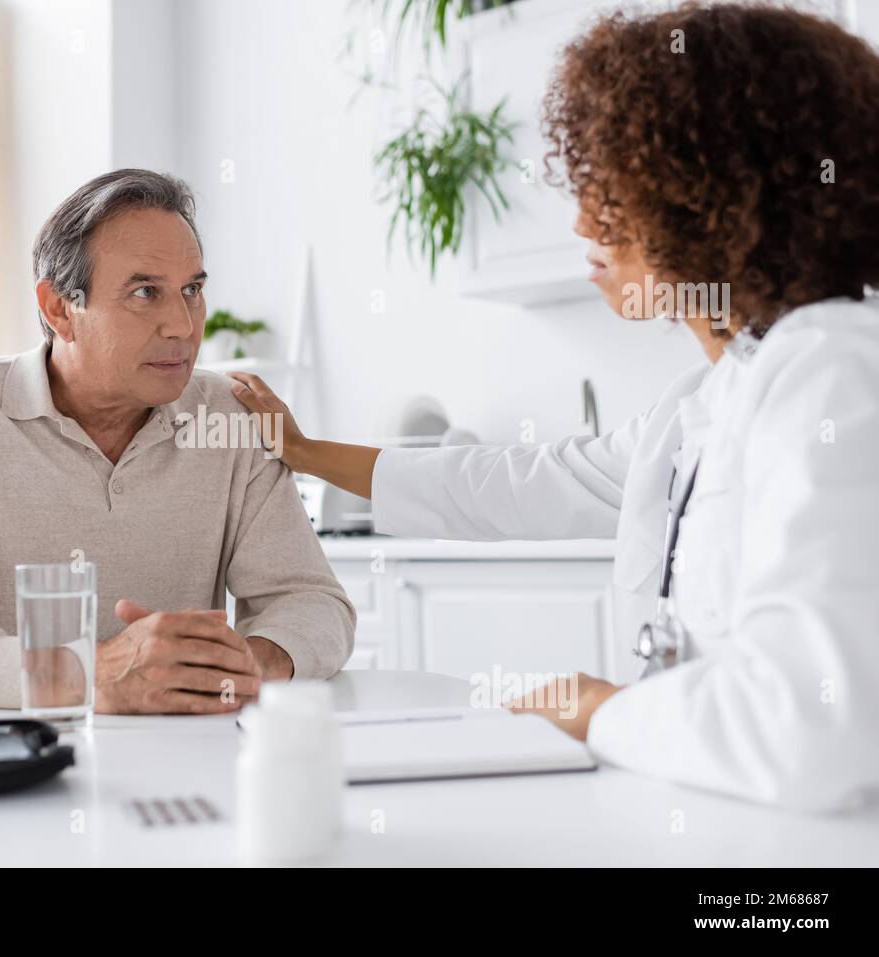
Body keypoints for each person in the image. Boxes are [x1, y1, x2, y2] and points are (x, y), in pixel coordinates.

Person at [230, 3, 879, 811]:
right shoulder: (704, 402)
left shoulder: (832, 365)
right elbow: (512, 481)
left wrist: (600, 708)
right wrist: (305, 449)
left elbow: (809, 728)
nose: (581, 221)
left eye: (612, 190)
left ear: (710, 191)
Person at [0, 169, 355, 714]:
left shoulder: (231, 417)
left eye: (192, 291)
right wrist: (86, 675)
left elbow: (313, 603)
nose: (182, 325)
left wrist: (250, 661)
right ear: (61, 308)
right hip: (17, 771)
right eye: (144, 292)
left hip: (193, 760)